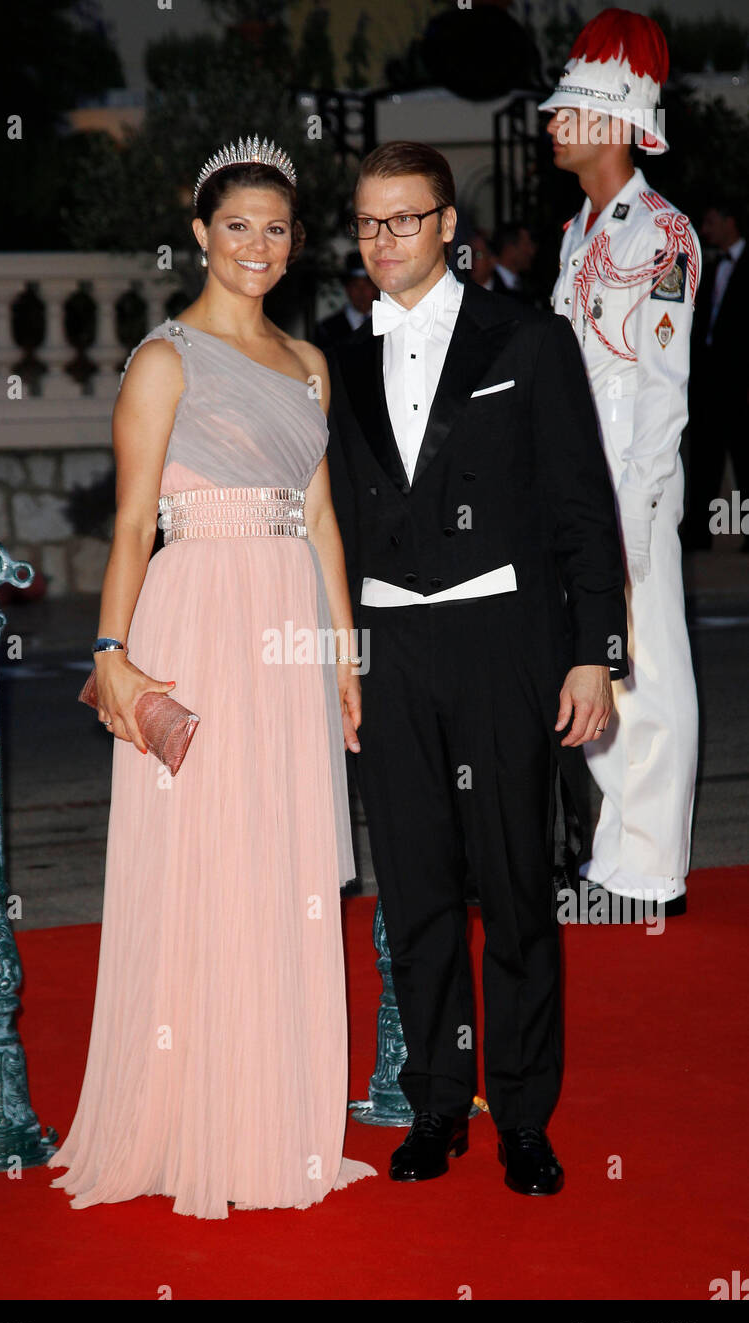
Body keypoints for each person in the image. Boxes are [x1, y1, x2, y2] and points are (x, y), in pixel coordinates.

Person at [47, 134, 376, 1219]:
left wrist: (341, 654)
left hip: (287, 617)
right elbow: (133, 522)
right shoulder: (163, 359)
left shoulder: (310, 361)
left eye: (276, 228)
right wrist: (110, 657)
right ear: (198, 234)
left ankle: (277, 1117)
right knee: (202, 856)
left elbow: (324, 519)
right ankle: (192, 1115)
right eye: (236, 225)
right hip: (196, 611)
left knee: (279, 858)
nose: (258, 245)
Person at [327, 140, 627, 1196]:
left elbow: (582, 509)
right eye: (367, 222)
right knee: (412, 893)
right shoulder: (331, 353)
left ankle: (525, 1117)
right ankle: (436, 1105)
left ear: (447, 224)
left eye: (404, 219)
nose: (383, 241)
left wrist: (593, 656)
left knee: (513, 891)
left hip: (502, 643)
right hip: (386, 649)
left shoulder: (527, 339)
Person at [541, 7, 701, 916]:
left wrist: (633, 521)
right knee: (598, 666)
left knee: (647, 669)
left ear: (613, 121)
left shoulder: (663, 235)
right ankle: (617, 859)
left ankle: (654, 874)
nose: (553, 122)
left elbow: (662, 394)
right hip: (579, 478)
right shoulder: (581, 231)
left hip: (628, 479)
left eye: (569, 109)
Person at [684, 198, 748, 552]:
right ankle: (699, 531)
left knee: (745, 461)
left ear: (729, 221)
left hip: (740, 384)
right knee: (704, 461)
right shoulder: (709, 267)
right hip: (709, 384)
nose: (706, 230)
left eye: (710, 221)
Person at [314, 250, 377, 353]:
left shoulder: (387, 325)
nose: (361, 292)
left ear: (375, 288)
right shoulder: (327, 329)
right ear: (347, 288)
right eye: (355, 285)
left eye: (367, 285)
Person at [491, 221, 537, 301]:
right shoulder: (489, 283)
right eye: (527, 245)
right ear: (509, 248)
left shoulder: (526, 285)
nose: (532, 251)